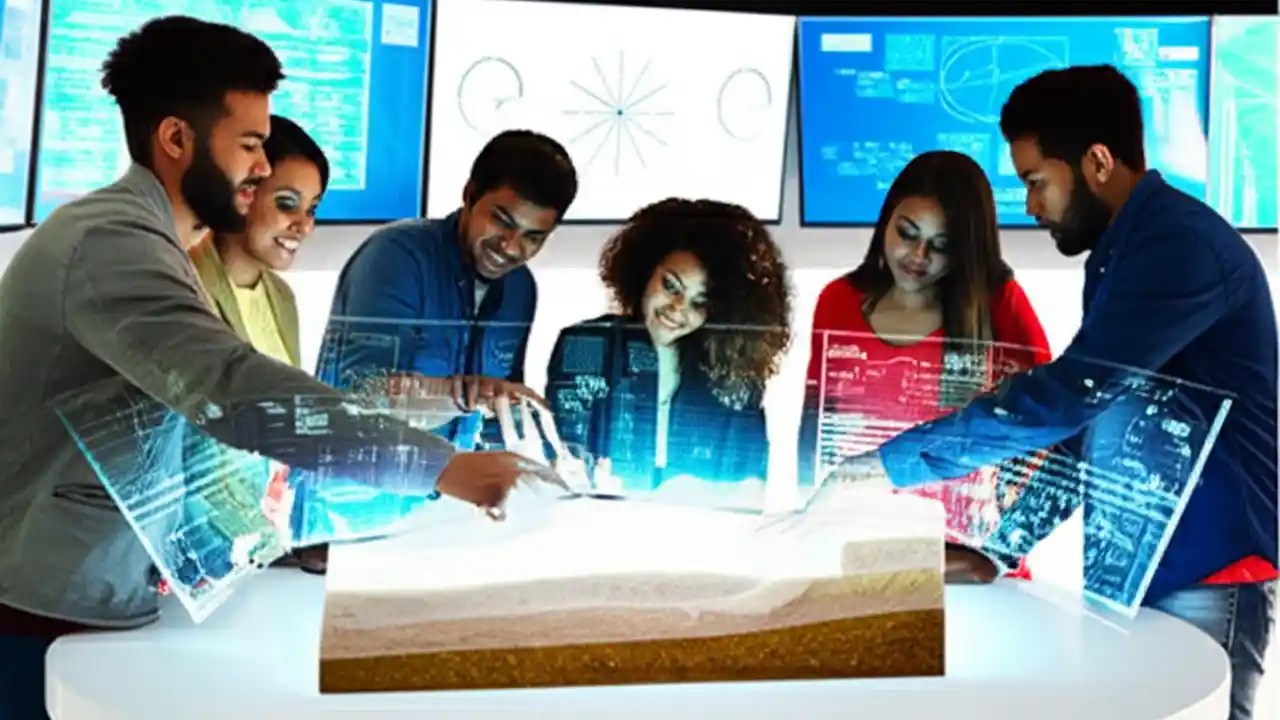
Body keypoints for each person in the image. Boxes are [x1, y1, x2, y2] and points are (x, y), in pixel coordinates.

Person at [0, 17, 562, 719]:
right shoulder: (110, 240)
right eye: (250, 146)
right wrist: (442, 467)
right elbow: (234, 390)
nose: (264, 169)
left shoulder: (150, 241)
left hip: (109, 596)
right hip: (43, 613)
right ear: (176, 140)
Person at [813, 65, 1277, 719]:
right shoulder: (1119, 255)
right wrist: (998, 549)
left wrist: (884, 465)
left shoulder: (1181, 246)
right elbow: (1088, 419)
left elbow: (1066, 396)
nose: (1030, 206)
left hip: (1209, 567)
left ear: (1096, 162)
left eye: (1036, 181)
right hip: (1132, 566)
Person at [797, 150, 1052, 581]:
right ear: (886, 221)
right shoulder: (837, 300)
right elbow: (815, 422)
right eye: (907, 233)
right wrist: (808, 516)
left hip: (968, 557)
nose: (917, 255)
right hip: (864, 547)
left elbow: (1045, 430)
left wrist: (999, 551)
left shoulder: (1001, 306)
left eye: (941, 245)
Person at [321, 129, 579, 451]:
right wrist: (466, 392)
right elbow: (358, 396)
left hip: (453, 491)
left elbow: (498, 416)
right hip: (362, 489)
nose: (511, 247)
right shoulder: (397, 257)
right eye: (502, 221)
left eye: (533, 237)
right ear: (469, 194)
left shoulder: (520, 288)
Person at [545, 198, 792, 495]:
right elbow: (564, 454)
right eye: (671, 286)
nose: (677, 308)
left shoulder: (733, 374)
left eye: (699, 303)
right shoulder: (588, 343)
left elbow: (750, 483)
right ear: (646, 272)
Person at [188, 113, 329, 573]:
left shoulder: (280, 297)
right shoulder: (180, 283)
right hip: (198, 543)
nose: (303, 225)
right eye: (287, 203)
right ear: (244, 194)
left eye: (311, 209)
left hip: (256, 542)